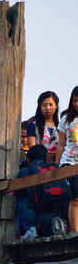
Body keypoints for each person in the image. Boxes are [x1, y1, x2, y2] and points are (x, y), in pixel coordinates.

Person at [17, 144, 72, 238]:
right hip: (57, 208)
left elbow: (18, 193)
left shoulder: (25, 171)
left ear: (28, 159)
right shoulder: (55, 168)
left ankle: (30, 229)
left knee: (22, 201)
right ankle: (61, 224)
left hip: (37, 210)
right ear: (46, 157)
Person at [57, 85, 78, 235]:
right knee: (75, 199)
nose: (77, 104)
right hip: (69, 162)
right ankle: (76, 232)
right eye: (75, 100)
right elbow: (61, 145)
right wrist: (57, 167)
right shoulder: (66, 119)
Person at [25, 91, 60, 162]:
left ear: (56, 106)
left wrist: (56, 153)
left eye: (51, 105)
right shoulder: (33, 126)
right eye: (44, 105)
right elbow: (33, 149)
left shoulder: (60, 126)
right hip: (39, 165)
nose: (47, 108)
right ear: (40, 107)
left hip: (56, 165)